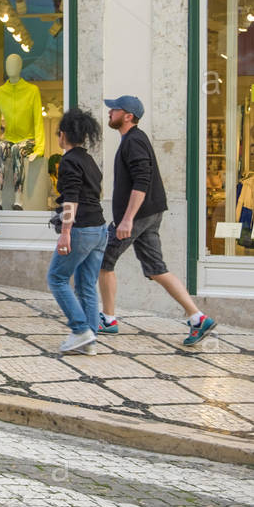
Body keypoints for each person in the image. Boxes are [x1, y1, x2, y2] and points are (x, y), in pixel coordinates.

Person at [97, 96, 216, 346]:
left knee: (103, 260)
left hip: (136, 216)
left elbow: (142, 180)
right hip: (148, 215)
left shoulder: (134, 141)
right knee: (156, 269)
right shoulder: (133, 140)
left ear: (128, 115)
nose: (110, 112)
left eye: (115, 109)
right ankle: (197, 318)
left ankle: (108, 319)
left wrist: (127, 220)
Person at [47, 108, 108, 354]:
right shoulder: (89, 160)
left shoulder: (70, 160)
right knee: (86, 286)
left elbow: (71, 200)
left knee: (57, 278)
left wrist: (65, 232)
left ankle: (80, 329)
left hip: (81, 229)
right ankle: (89, 340)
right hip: (100, 230)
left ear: (63, 135)